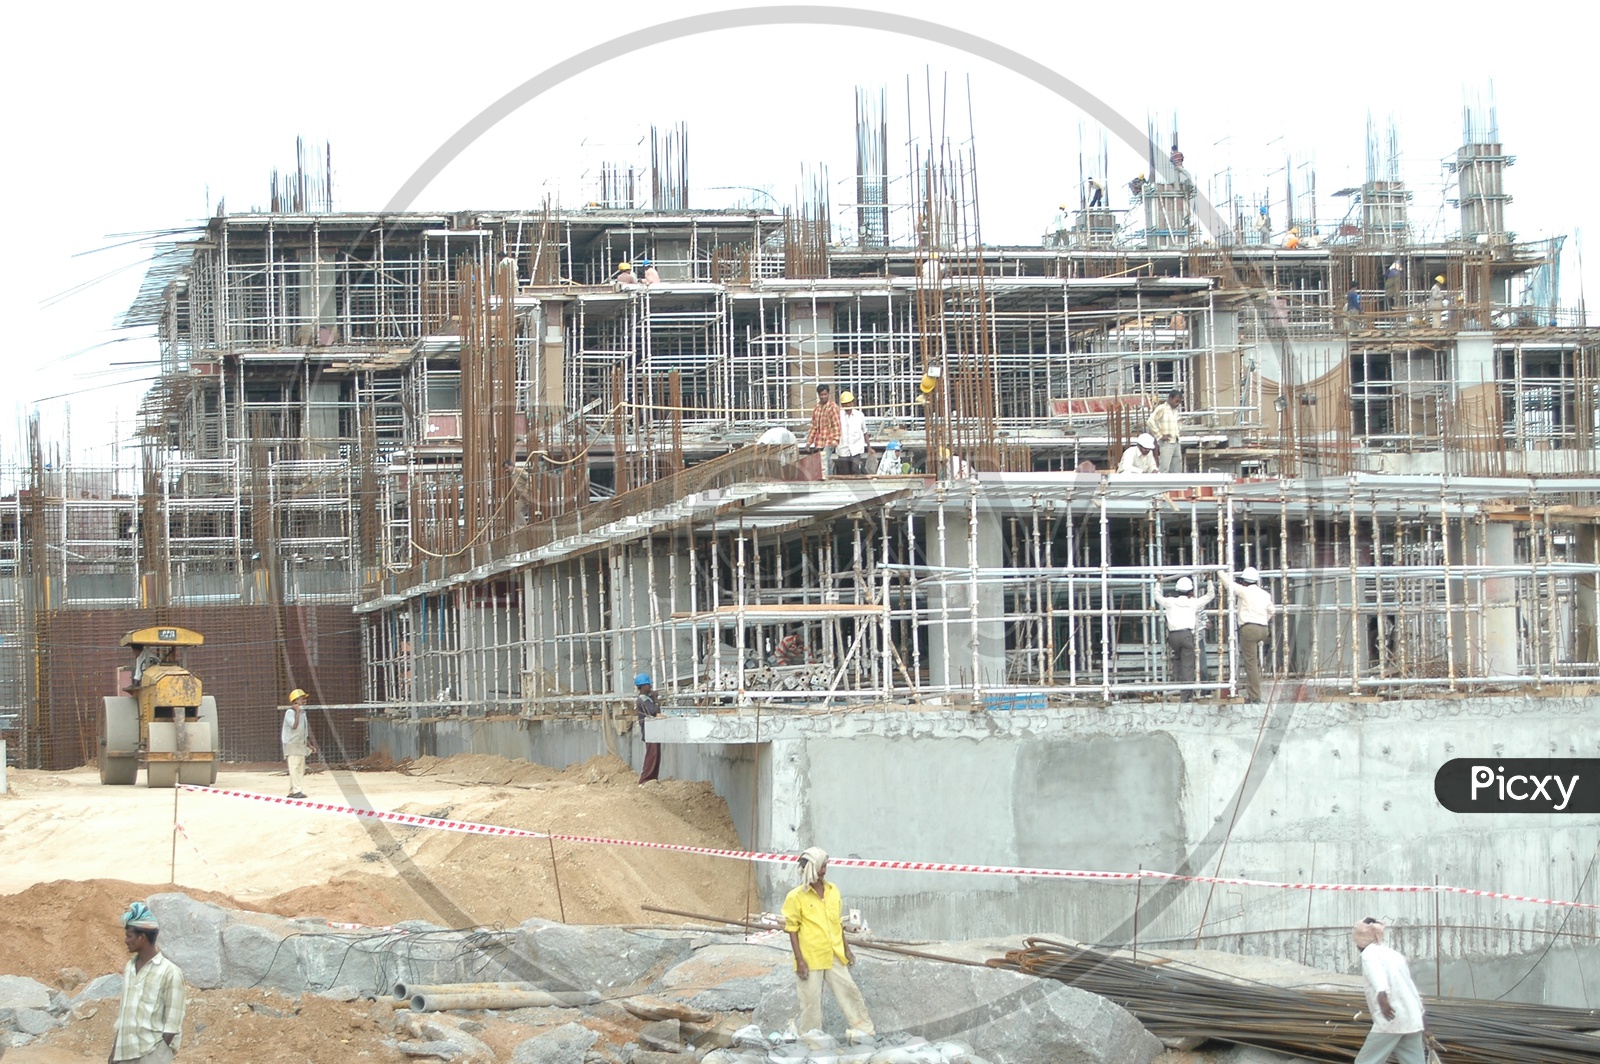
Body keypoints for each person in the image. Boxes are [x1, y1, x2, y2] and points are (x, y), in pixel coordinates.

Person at [783, 847, 875, 1042]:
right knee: (810, 1004)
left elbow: (837, 924)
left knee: (849, 992)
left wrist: (847, 950)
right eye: (820, 867)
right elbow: (792, 930)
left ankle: (865, 1031)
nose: (824, 870)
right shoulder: (795, 897)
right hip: (810, 958)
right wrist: (800, 961)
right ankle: (811, 1041)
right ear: (809, 869)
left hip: (834, 954)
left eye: (825, 866)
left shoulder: (833, 891)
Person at [111, 901, 186, 1064]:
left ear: (142, 937)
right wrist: (113, 1055)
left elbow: (173, 1022)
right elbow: (124, 1015)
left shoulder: (170, 972)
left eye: (129, 935)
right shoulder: (130, 968)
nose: (125, 940)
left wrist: (158, 1055)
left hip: (151, 1055)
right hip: (124, 1055)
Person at [1352, 918, 1427, 1064]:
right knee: (1414, 1060)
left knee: (1366, 1061)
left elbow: (1378, 977)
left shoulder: (1368, 955)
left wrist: (1382, 995)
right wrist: (1422, 1013)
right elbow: (1410, 986)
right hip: (1412, 1018)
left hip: (1391, 1018)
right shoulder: (1393, 954)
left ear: (1360, 941)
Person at [1221, 566, 1276, 703]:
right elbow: (1272, 610)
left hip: (1249, 628)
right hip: (1263, 629)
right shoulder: (1265, 594)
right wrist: (1263, 620)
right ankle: (1253, 693)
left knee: (1250, 663)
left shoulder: (1244, 591)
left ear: (1244, 582)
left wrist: (1219, 571)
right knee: (1254, 660)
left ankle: (1255, 696)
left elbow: (1229, 584)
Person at [1153, 576, 1214, 697]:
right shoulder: (1193, 603)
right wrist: (1209, 581)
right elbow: (1210, 595)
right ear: (1191, 591)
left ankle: (1176, 681)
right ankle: (1186, 695)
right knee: (1188, 665)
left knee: (1178, 660)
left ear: (1177, 590)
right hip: (1186, 636)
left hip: (1172, 637)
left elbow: (1157, 596)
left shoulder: (1170, 601)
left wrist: (1158, 583)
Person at [281, 689, 314, 799]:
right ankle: (297, 791)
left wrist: (309, 745)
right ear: (295, 700)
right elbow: (294, 726)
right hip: (292, 744)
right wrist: (297, 712)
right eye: (302, 698)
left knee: (299, 768)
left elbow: (303, 732)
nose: (304, 700)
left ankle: (292, 790)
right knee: (295, 768)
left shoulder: (303, 713)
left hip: (300, 744)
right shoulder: (290, 713)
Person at [805, 385, 841, 476]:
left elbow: (836, 425)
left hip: (829, 440)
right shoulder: (817, 408)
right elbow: (813, 426)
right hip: (819, 441)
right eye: (821, 395)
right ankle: (822, 478)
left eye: (825, 394)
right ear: (819, 395)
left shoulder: (832, 407)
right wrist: (809, 442)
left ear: (828, 394)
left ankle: (828, 480)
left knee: (826, 460)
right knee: (820, 462)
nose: (823, 396)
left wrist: (835, 440)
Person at [1147, 389, 1185, 473]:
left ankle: (1176, 486)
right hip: (1166, 443)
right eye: (1176, 401)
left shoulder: (1175, 411)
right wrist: (1160, 435)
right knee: (1164, 467)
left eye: (1179, 402)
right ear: (1170, 398)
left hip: (1176, 441)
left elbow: (1178, 422)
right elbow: (1150, 421)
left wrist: (1178, 431)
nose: (1178, 403)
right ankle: (1162, 485)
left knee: (1177, 468)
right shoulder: (1162, 408)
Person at [834, 391, 871, 475]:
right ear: (842, 405)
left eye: (849, 403)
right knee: (844, 473)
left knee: (856, 470)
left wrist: (869, 447)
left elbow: (865, 432)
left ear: (853, 402)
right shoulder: (838, 416)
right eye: (845, 404)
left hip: (856, 449)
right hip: (842, 449)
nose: (847, 405)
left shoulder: (859, 415)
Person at [635, 673, 661, 784]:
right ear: (642, 686)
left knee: (656, 755)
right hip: (649, 731)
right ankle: (645, 779)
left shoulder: (646, 698)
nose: (650, 687)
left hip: (654, 730)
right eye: (648, 685)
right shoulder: (642, 699)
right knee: (652, 755)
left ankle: (653, 778)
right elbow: (653, 711)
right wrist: (655, 699)